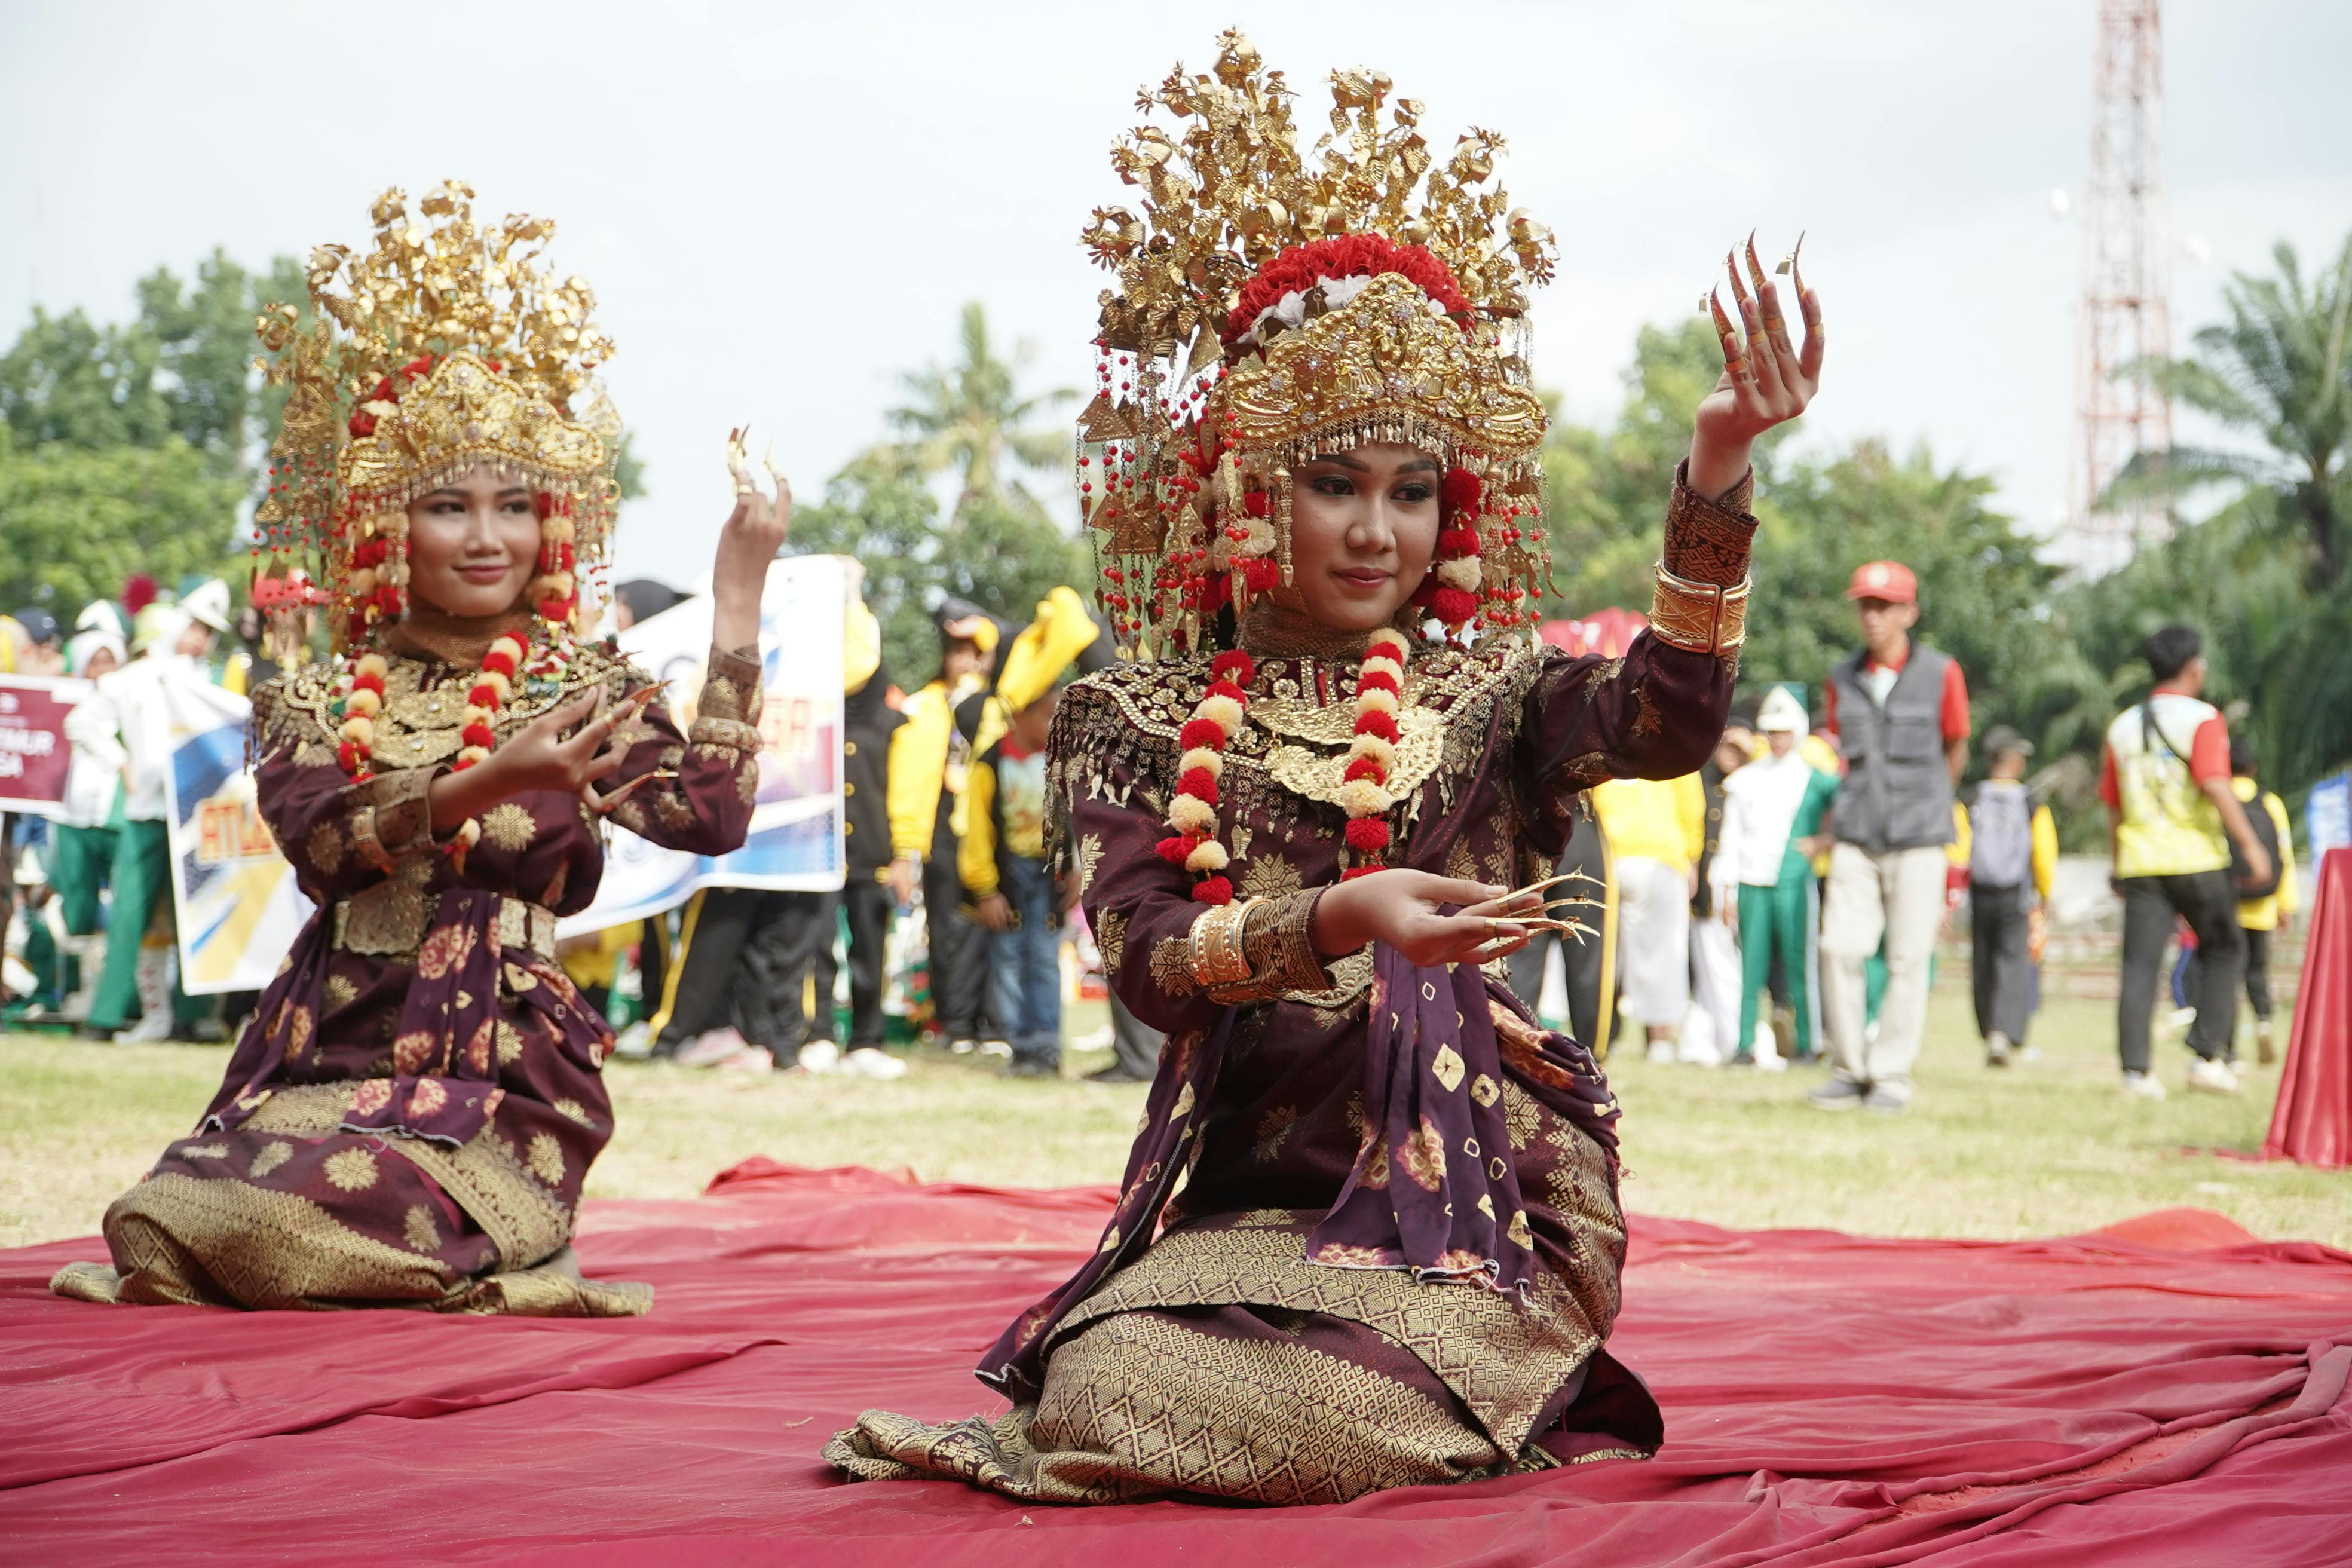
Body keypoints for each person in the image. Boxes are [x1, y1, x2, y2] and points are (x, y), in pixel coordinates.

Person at [828, 32, 1822, 1502]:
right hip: (1244, 1204)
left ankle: (1451, 1389)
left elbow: (1669, 721)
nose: (1378, 531)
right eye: (1334, 482)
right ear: (1239, 487)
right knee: (1114, 1377)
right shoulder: (1135, 717)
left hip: (1471, 1206)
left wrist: (1720, 469)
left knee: (1201, 1408)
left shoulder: (1496, 690)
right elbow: (1154, 964)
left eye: (1412, 491)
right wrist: (1338, 919)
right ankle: (1406, 1420)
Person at [51, 182, 779, 1312]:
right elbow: (324, 849)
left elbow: (710, 817)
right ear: (387, 523)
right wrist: (488, 781)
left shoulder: (579, 679)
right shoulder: (320, 688)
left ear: (552, 522)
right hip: (322, 1044)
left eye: (515, 504)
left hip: (497, 1061)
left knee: (316, 1217)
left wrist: (739, 597)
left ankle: (496, 1246)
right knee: (172, 1212)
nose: (488, 536)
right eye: (448, 505)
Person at [1811, 559, 1970, 1113]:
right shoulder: (1841, 676)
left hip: (1921, 835)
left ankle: (1891, 1074)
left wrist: (1932, 802)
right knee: (1838, 949)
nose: (1872, 617)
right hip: (1856, 832)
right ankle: (1850, 1069)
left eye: (1883, 606)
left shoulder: (1942, 672)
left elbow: (1956, 744)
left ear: (1910, 612)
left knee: (1908, 957)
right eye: (1865, 605)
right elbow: (1841, 753)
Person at [2100, 626, 2273, 1100]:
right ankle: (2206, 1055)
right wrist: (2253, 847)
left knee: (2139, 966)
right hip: (2196, 857)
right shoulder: (2203, 719)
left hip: (2140, 860)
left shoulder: (2121, 727)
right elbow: (2216, 784)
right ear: (2194, 667)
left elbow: (2113, 806)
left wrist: (2118, 863)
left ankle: (2136, 1073)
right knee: (2225, 948)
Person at [67, 602, 219, 1042]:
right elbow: (81, 723)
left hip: (191, 812)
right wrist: (121, 762)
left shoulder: (205, 680)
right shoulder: (131, 679)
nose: (198, 639)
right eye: (193, 628)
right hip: (145, 813)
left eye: (206, 632)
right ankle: (105, 1016)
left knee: (195, 913)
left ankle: (193, 1017)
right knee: (128, 914)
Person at [887, 599, 1000, 1050]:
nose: (965, 659)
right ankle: (953, 1022)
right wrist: (905, 846)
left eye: (973, 650)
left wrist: (988, 641)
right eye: (956, 650)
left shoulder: (994, 703)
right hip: (940, 826)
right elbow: (907, 780)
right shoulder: (921, 706)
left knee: (991, 920)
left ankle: (993, 1023)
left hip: (985, 824)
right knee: (947, 926)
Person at [1715, 687, 1838, 1070]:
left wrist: (1824, 841)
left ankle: (1808, 1042)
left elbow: (1850, 813)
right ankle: (1744, 1043)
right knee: (1749, 966)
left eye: (1786, 731)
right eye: (1773, 731)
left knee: (1800, 962)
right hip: (1752, 880)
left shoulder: (1816, 778)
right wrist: (1726, 888)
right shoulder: (1747, 779)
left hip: (1794, 881)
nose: (1779, 739)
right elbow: (1732, 836)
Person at [839, 592, 909, 1076]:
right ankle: (818, 1034)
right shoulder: (818, 712)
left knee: (868, 952)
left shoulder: (893, 720)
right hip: (819, 854)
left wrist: (905, 854)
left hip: (872, 852)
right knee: (818, 954)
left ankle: (866, 1039)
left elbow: (904, 791)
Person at [1589, 770, 1705, 1060]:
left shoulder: (1603, 733)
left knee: (1604, 955)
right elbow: (1692, 808)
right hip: (1659, 855)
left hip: (1608, 855)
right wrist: (1693, 858)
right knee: (1662, 953)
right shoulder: (1673, 738)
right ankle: (1660, 1040)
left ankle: (1604, 1037)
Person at [1965, 726, 2056, 1068]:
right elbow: (2044, 853)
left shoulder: (1970, 798)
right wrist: (2045, 893)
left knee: (1983, 961)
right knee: (2012, 962)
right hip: (2015, 894)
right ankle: (2006, 1033)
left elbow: (1958, 849)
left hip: (1979, 892)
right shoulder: (2031, 803)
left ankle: (1989, 1030)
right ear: (2014, 760)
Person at [1681, 713, 1752, 1065]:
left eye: (1740, 749)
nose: (1731, 754)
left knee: (1727, 969)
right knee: (1706, 972)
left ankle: (1734, 1038)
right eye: (1727, 745)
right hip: (1704, 897)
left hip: (1736, 895)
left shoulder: (1749, 787)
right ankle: (1705, 1040)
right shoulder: (1699, 781)